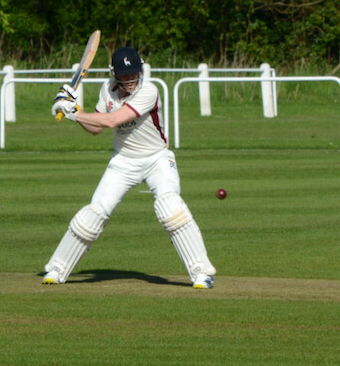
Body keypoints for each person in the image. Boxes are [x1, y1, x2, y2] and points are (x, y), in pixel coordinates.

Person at [45, 47, 216, 288]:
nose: (129, 80)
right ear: (115, 73)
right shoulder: (108, 90)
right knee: (94, 214)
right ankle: (56, 270)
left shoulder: (149, 90)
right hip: (123, 161)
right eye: (124, 75)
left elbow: (113, 120)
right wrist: (75, 110)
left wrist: (74, 113)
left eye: (133, 73)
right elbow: (96, 128)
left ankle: (201, 272)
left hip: (157, 159)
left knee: (170, 207)